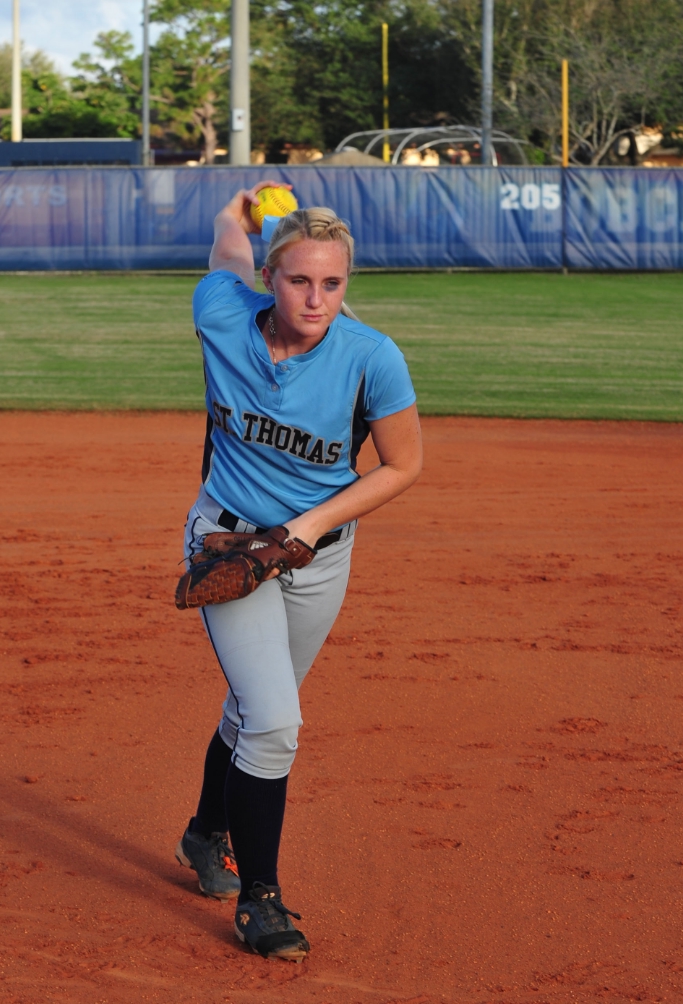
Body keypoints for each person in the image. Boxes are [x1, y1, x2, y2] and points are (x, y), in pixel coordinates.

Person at [174, 181, 423, 962]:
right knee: (276, 722)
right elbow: (224, 248)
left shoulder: (370, 357)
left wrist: (306, 529)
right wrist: (238, 212)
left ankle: (205, 833)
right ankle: (261, 900)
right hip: (231, 547)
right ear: (270, 278)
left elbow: (403, 465)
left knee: (256, 712)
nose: (315, 299)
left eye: (333, 282)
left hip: (317, 560)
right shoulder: (221, 315)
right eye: (298, 280)